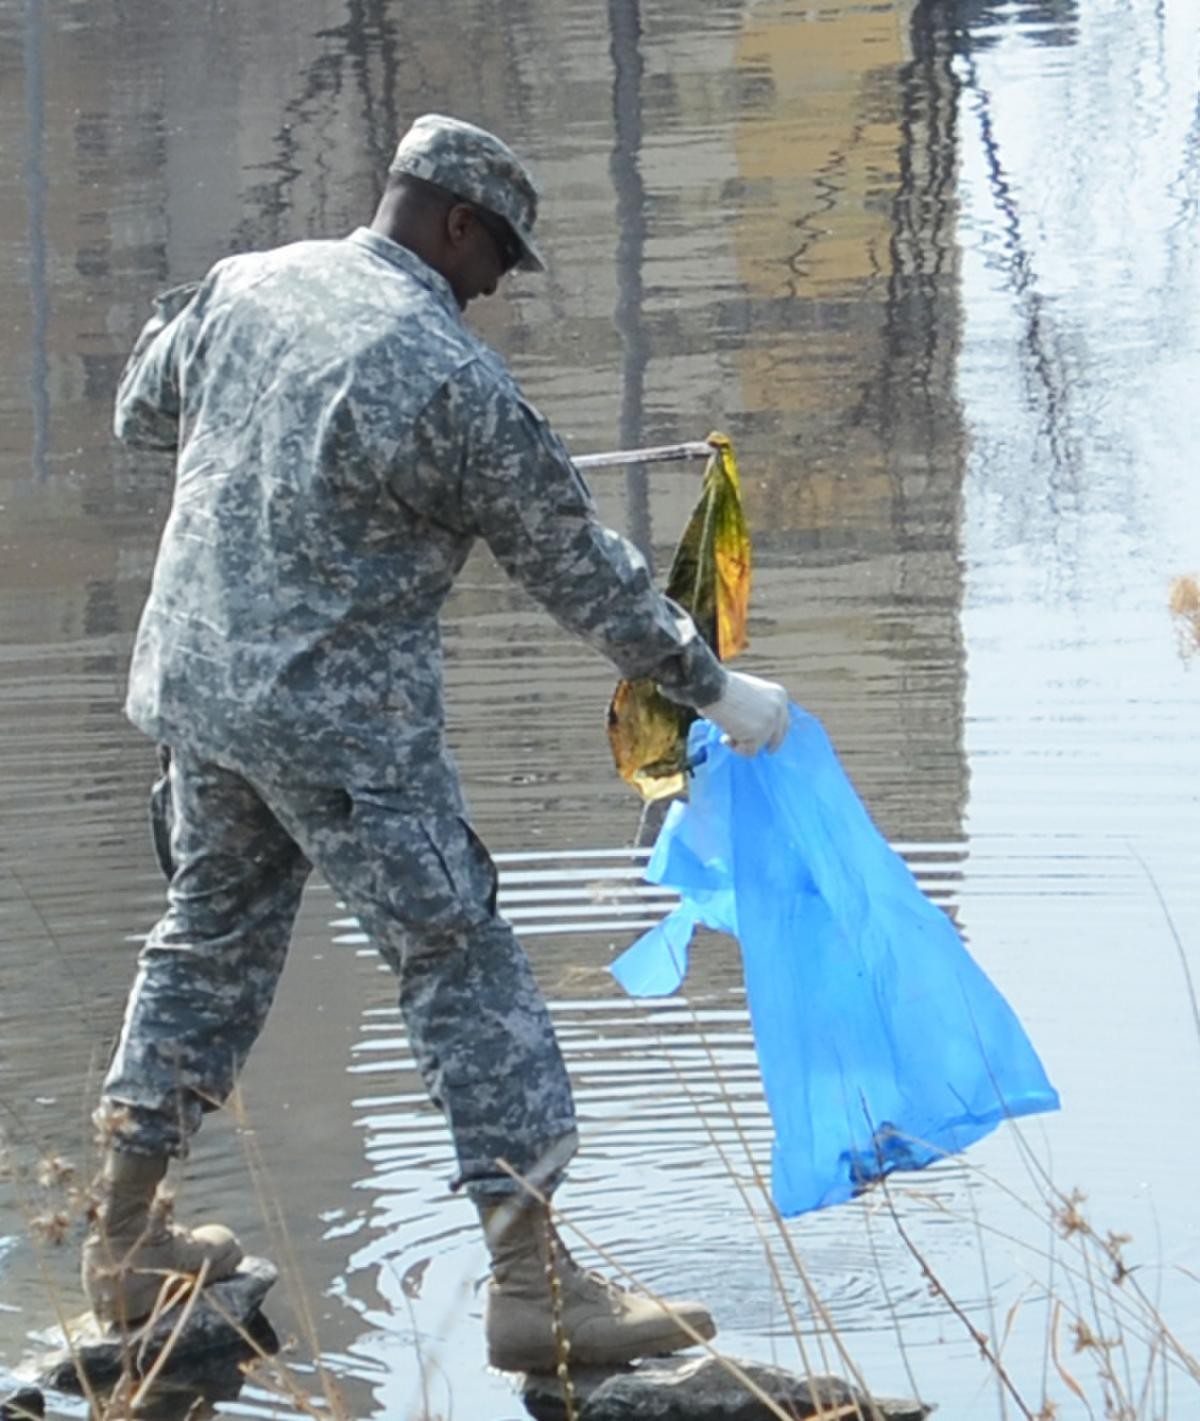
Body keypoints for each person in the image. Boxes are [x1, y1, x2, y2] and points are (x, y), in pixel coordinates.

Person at [84, 113, 790, 1370]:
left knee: (204, 942)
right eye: (498, 258)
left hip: (198, 694)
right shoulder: (452, 380)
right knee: (460, 963)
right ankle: (535, 1287)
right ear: (457, 222)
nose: (495, 288)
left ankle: (125, 1241)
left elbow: (146, 414)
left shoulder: (246, 284)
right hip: (344, 734)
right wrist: (716, 688)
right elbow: (581, 571)